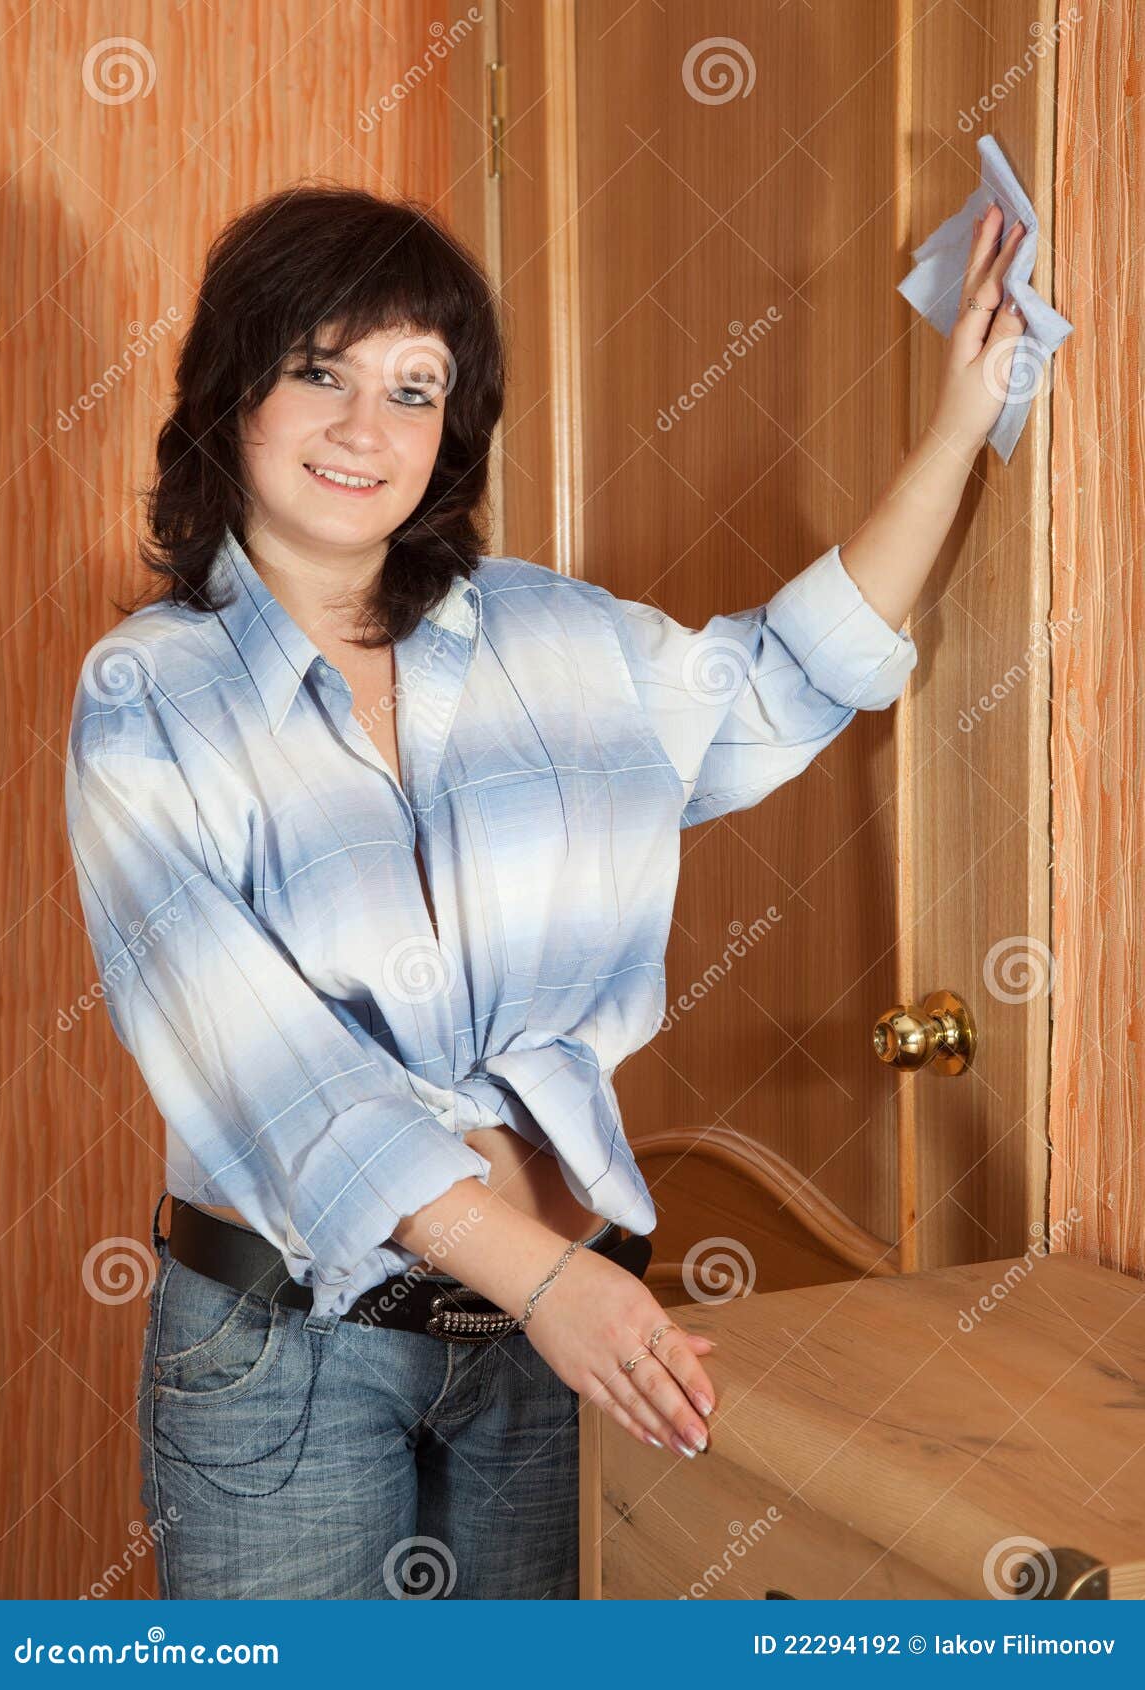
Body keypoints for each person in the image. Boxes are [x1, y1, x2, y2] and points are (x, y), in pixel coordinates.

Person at [64, 184, 1026, 1600]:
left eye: (415, 387)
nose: (364, 428)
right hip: (289, 1355)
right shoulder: (147, 695)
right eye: (318, 370)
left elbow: (786, 677)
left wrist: (953, 433)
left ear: (451, 430)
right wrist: (547, 1277)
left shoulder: (554, 635)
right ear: (232, 389)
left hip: (548, 1347)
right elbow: (270, 1068)